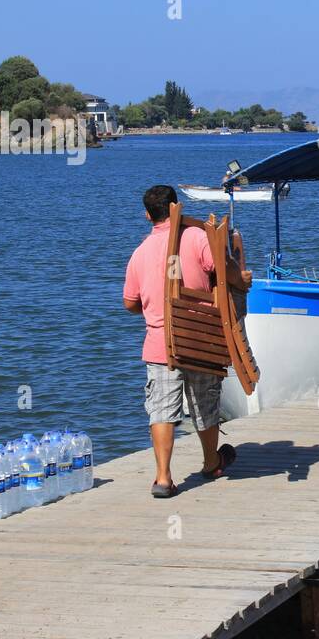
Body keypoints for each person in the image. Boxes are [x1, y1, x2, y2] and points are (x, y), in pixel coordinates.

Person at [123, 185, 240, 499]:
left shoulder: (139, 253)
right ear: (177, 206)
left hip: (161, 345)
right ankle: (211, 462)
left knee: (161, 410)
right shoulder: (197, 237)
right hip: (199, 338)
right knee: (205, 403)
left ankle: (163, 478)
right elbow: (223, 269)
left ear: (147, 215)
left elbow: (130, 303)